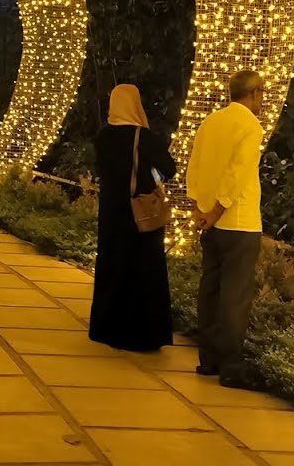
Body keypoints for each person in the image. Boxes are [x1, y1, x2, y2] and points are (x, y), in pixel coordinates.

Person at [186, 70, 267, 390]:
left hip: (210, 220)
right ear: (255, 93)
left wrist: (200, 211)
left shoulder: (210, 122)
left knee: (211, 289)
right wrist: (219, 210)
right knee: (235, 294)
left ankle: (208, 358)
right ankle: (231, 365)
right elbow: (238, 173)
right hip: (239, 221)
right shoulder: (250, 125)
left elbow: (194, 166)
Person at [88, 85, 177, 352]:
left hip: (111, 213)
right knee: (142, 271)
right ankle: (140, 335)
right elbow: (168, 169)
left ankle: (106, 329)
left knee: (111, 267)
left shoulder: (103, 137)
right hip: (140, 214)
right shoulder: (144, 137)